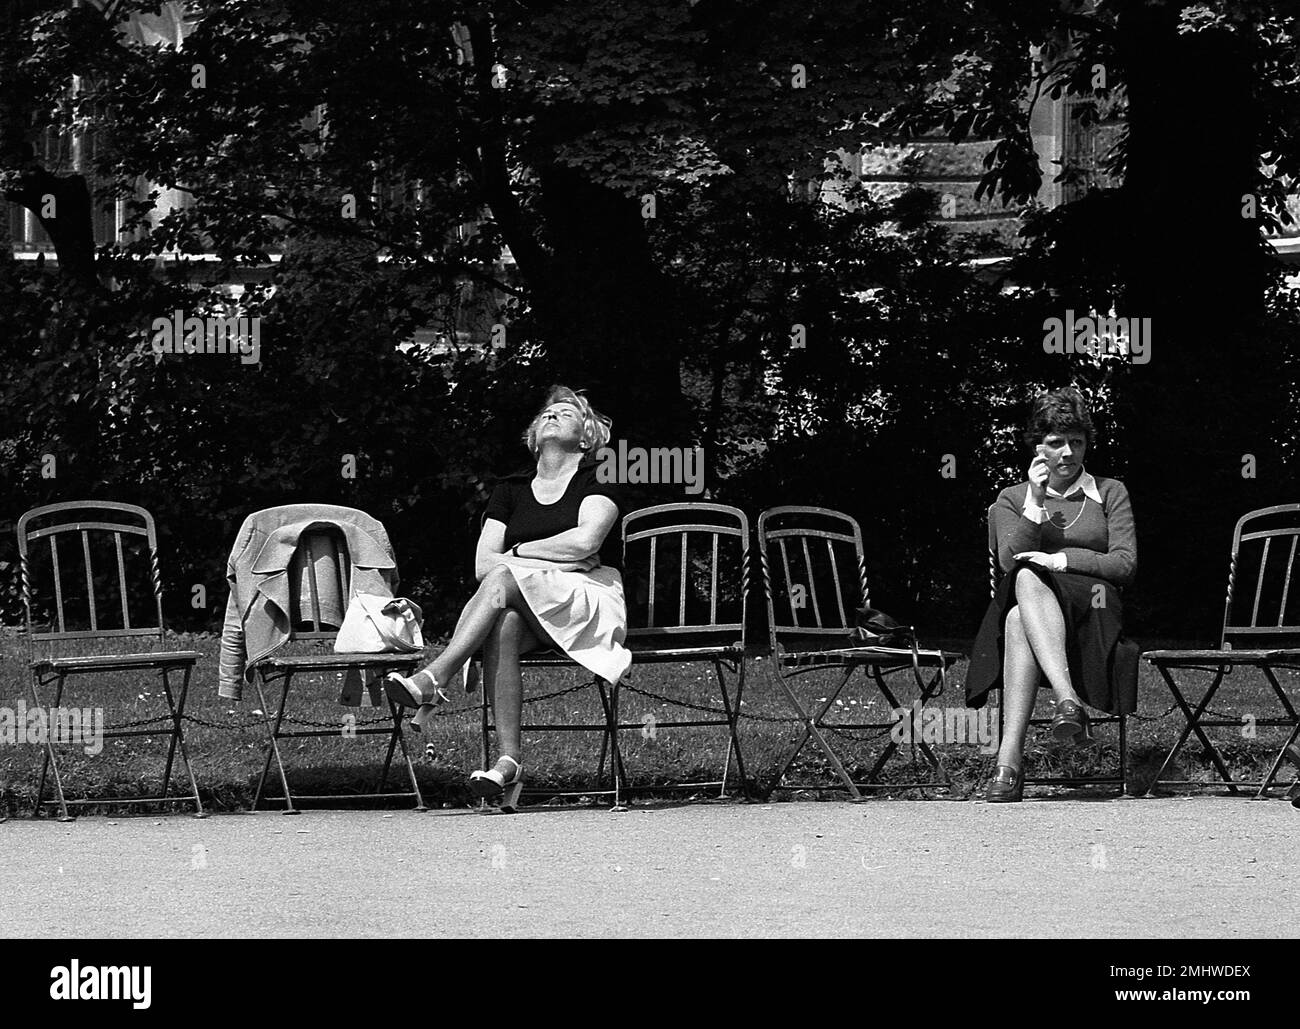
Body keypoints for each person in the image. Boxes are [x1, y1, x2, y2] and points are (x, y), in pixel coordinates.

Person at [383, 386, 632, 812]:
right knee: (505, 625)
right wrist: (539, 556)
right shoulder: (510, 489)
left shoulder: (599, 477)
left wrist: (518, 553)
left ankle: (435, 678)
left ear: (587, 437)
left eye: (566, 413)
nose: (552, 415)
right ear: (534, 435)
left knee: (504, 575)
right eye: (547, 413)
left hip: (584, 597)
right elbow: (483, 563)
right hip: (527, 602)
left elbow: (586, 541)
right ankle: (508, 762)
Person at [965, 387, 1137, 802]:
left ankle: (1009, 764)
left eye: (1076, 442)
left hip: (1094, 603)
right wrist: (1036, 500)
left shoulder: (1110, 492)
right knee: (1020, 602)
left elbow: (1124, 564)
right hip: (1036, 603)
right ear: (1038, 447)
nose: (1067, 453)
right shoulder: (1011, 498)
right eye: (1056, 443)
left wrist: (1061, 560)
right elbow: (1009, 560)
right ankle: (1064, 704)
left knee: (1028, 581)